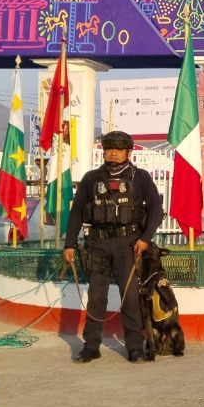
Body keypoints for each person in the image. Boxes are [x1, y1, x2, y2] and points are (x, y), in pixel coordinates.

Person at [62, 130, 164, 364]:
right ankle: (91, 347)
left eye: (119, 149)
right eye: (109, 149)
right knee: (96, 297)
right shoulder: (91, 179)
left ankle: (135, 348)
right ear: (104, 152)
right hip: (97, 245)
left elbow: (156, 210)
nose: (114, 153)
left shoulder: (141, 177)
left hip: (128, 245)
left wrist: (145, 239)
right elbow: (76, 212)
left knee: (130, 298)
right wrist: (69, 244)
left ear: (129, 152)